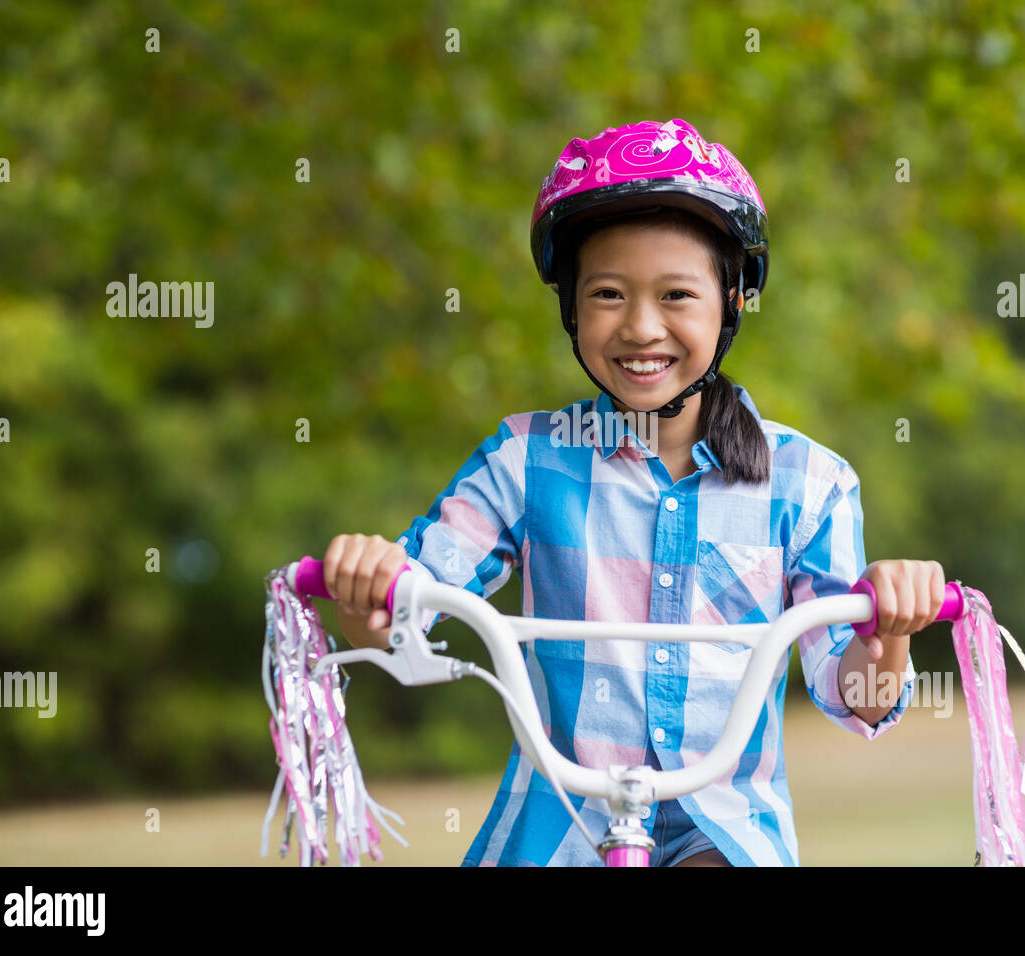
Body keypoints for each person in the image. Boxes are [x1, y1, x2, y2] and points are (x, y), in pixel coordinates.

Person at [321, 118, 946, 867]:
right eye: (609, 294)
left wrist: (890, 631)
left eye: (677, 294)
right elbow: (403, 614)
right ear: (572, 310)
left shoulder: (808, 483)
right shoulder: (528, 459)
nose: (642, 327)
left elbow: (858, 697)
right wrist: (372, 587)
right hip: (557, 828)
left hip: (726, 831)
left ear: (733, 303)